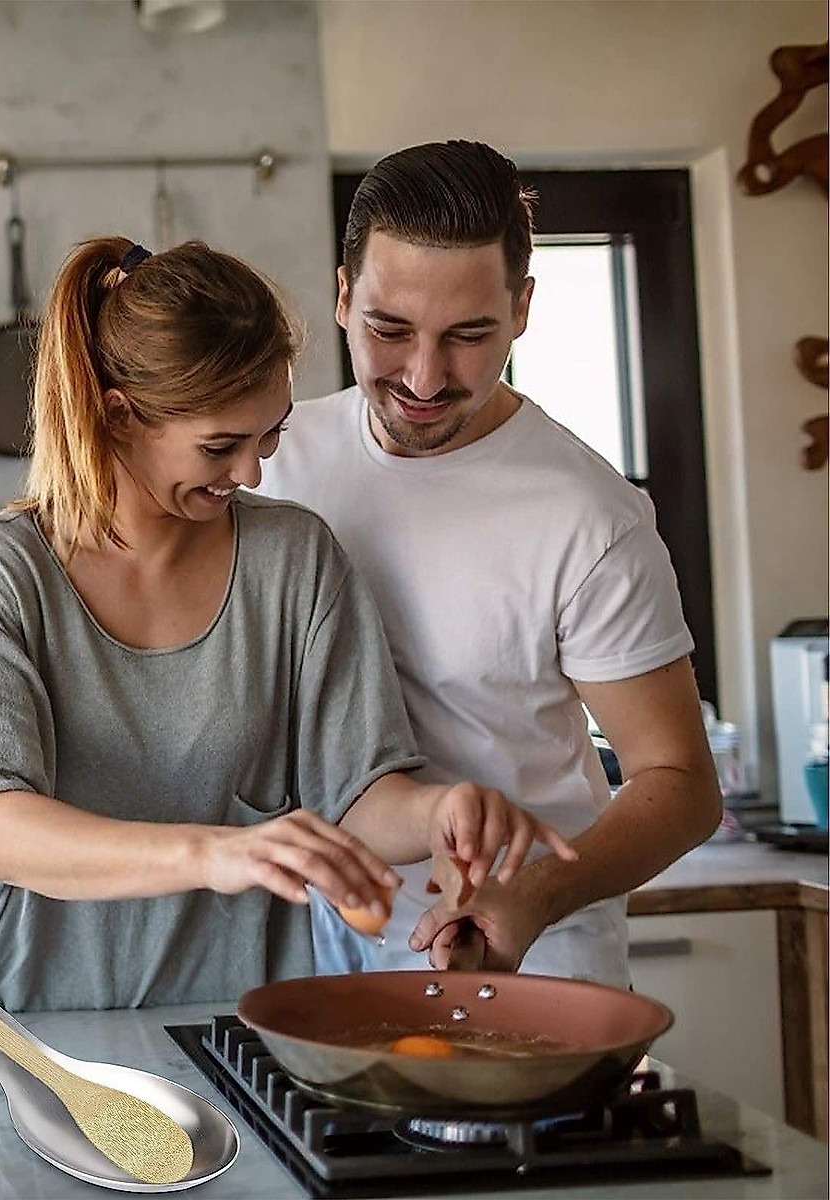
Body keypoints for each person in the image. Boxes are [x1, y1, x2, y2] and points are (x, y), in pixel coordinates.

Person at [0, 235, 573, 1013]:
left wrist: (441, 811)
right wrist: (217, 851)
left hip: (239, 1016)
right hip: (20, 1017)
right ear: (118, 416)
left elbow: (355, 798)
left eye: (270, 436)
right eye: (220, 446)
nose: (252, 473)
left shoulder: (294, 558)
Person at [259, 142, 722, 988]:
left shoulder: (588, 516)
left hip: (529, 965)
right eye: (388, 331)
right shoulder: (277, 462)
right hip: (306, 960)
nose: (425, 377)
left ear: (521, 310)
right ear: (339, 297)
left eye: (469, 336)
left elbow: (681, 781)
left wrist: (540, 894)